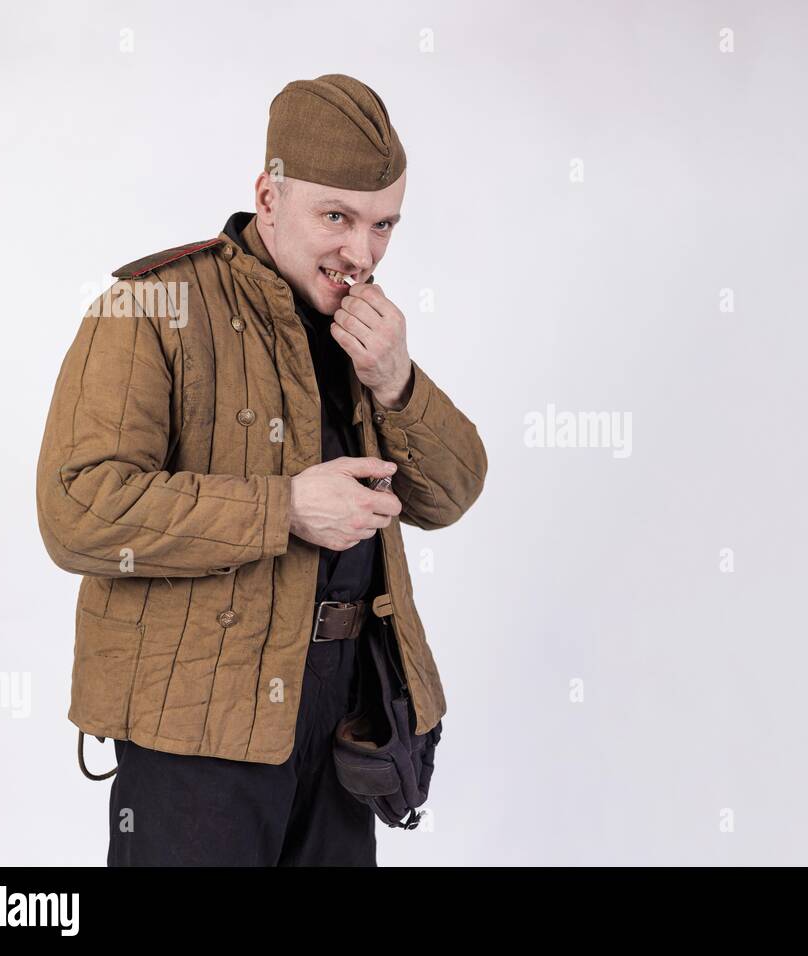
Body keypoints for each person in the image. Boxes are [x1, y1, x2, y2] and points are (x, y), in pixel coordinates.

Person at [35, 74, 488, 866]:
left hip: (346, 721)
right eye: (337, 217)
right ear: (268, 196)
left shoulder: (363, 329)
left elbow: (450, 495)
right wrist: (282, 508)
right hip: (196, 729)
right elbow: (78, 509)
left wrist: (398, 382)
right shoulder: (149, 305)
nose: (361, 252)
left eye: (384, 225)